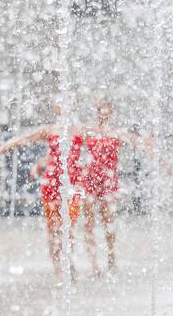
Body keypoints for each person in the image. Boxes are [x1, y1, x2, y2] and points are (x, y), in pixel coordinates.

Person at [0, 102, 82, 281]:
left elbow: (109, 134)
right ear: (57, 110)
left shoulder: (80, 131)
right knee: (54, 229)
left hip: (72, 186)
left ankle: (69, 263)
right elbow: (20, 140)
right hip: (52, 185)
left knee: (69, 228)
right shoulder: (50, 130)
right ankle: (58, 265)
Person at [68, 98, 162, 276]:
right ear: (96, 112)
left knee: (108, 222)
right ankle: (94, 263)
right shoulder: (89, 132)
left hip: (108, 182)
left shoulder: (116, 133)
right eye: (100, 109)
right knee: (88, 223)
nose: (102, 113)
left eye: (106, 109)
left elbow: (139, 143)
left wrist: (160, 160)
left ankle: (111, 260)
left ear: (111, 112)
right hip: (89, 180)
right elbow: (67, 136)